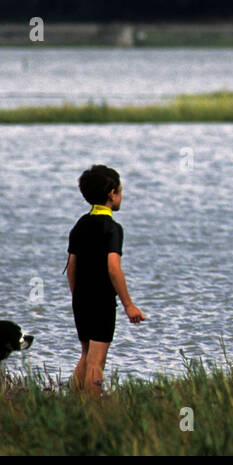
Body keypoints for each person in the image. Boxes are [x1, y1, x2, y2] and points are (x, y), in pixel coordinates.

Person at [65, 164, 145, 396]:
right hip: (101, 300)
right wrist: (128, 305)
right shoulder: (112, 228)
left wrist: (77, 296)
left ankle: (75, 402)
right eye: (120, 191)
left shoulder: (80, 224)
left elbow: (72, 267)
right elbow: (113, 268)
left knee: (86, 354)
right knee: (97, 361)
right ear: (112, 194)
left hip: (80, 297)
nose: (121, 196)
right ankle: (93, 411)